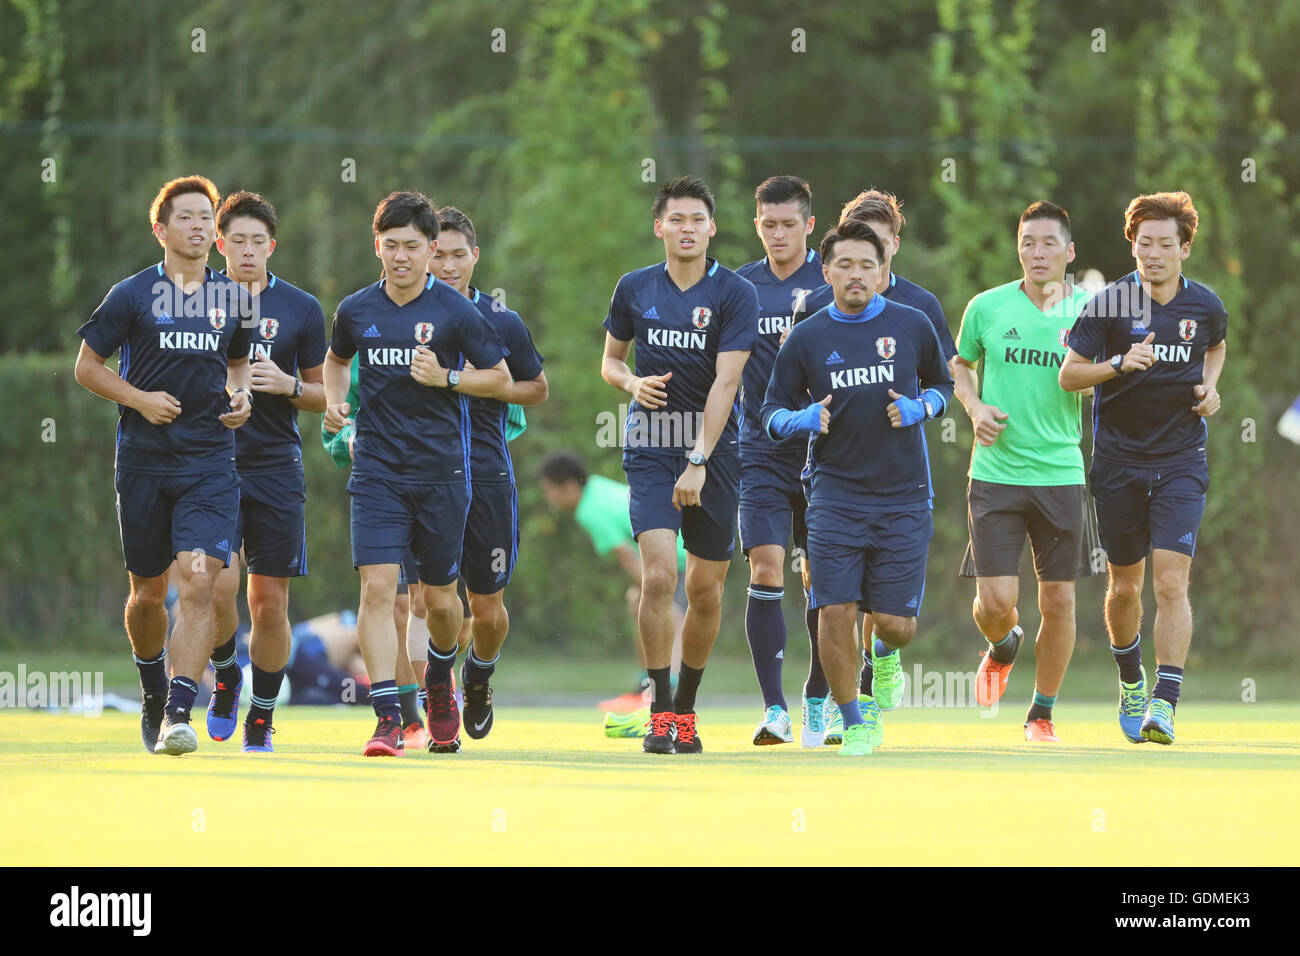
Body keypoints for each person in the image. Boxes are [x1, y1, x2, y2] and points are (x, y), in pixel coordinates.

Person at [322, 190, 511, 757]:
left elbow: (499, 378)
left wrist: (447, 380)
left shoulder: (457, 311)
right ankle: (385, 718)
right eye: (390, 245)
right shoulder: (356, 310)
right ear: (376, 246)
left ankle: (439, 681)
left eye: (412, 246)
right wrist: (335, 403)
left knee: (440, 600)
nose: (400, 256)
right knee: (378, 589)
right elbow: (335, 359)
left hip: (444, 474)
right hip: (377, 471)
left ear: (431, 249)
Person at [73, 175, 254, 755]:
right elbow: (87, 366)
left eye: (207, 217)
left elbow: (238, 362)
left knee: (199, 582)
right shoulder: (130, 294)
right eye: (187, 217)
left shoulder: (234, 298)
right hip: (145, 466)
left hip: (209, 464)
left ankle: (179, 710)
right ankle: (153, 693)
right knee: (148, 596)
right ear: (161, 228)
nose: (200, 226)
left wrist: (241, 397)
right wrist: (139, 399)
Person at [761, 218, 953, 756]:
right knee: (834, 609)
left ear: (883, 269)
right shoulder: (807, 336)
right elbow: (769, 411)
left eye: (867, 264)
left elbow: (945, 384)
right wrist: (800, 421)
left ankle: (884, 655)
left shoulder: (913, 324)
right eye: (844, 264)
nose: (856, 274)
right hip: (834, 494)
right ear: (826, 271)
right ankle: (855, 718)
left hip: (904, 495)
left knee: (894, 625)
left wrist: (923, 407)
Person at [1060, 190, 1226, 746]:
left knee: (1172, 583)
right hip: (1117, 464)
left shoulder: (1205, 305)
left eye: (1164, 244)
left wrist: (1211, 389)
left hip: (1181, 459)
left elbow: (1217, 346)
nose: (1153, 253)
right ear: (1131, 246)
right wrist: (1117, 364)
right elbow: (1069, 375)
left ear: (1184, 249)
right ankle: (1132, 680)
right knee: (1126, 588)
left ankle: (1165, 703)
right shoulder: (1107, 305)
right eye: (1143, 243)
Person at [600, 175, 758, 754]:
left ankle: (687, 708)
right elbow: (611, 363)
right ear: (659, 226)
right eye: (677, 219)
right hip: (649, 444)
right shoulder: (634, 287)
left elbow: (728, 381)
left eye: (698, 220)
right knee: (660, 574)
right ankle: (660, 708)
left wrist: (699, 460)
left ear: (711, 228)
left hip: (713, 452)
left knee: (707, 590)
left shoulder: (735, 292)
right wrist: (631, 382)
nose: (687, 229)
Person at [951, 201, 1099, 742]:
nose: (1037, 253)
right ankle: (1002, 644)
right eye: (1028, 242)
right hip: (995, 474)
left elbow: (1119, 367)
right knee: (995, 604)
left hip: (1061, 473)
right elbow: (959, 365)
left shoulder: (1091, 310)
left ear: (1070, 252)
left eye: (1049, 243)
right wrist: (974, 408)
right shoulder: (986, 308)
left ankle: (1041, 713)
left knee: (1059, 600)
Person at [194, 190, 327, 753]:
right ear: (220, 244)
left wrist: (290, 386)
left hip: (275, 466)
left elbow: (327, 395)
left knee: (267, 602)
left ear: (271, 246)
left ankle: (262, 718)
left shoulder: (301, 308)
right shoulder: (192, 301)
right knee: (217, 588)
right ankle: (226, 677)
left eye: (258, 241)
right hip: (209, 462)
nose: (248, 251)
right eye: (237, 241)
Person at [429, 205, 549, 740]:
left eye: (459, 255)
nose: (448, 265)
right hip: (424, 478)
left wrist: (474, 381)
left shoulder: (501, 319)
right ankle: (438, 687)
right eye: (439, 254)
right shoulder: (404, 316)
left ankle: (477, 675)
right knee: (432, 598)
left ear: (475, 257)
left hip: (487, 476)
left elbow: (536, 389)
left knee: (488, 609)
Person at [735, 176, 832, 747]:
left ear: (809, 226)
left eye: (788, 224)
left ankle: (817, 695)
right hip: (760, 454)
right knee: (766, 569)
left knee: (822, 579)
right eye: (768, 224)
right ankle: (774, 710)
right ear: (756, 226)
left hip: (827, 456)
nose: (777, 234)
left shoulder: (832, 281)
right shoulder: (740, 288)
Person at [321, 352, 433, 750]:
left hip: (442, 486)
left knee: (434, 601)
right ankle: (404, 717)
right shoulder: (362, 341)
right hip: (382, 490)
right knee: (392, 601)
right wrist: (345, 436)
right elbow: (334, 422)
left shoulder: (451, 328)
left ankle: (441, 692)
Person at [537, 451, 689, 735]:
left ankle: (669, 695)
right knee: (638, 601)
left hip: (681, 556)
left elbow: (628, 557)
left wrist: (653, 595)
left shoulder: (589, 509)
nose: (550, 500)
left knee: (668, 614)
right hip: (673, 551)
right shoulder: (596, 487)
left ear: (569, 486)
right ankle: (646, 686)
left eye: (551, 492)